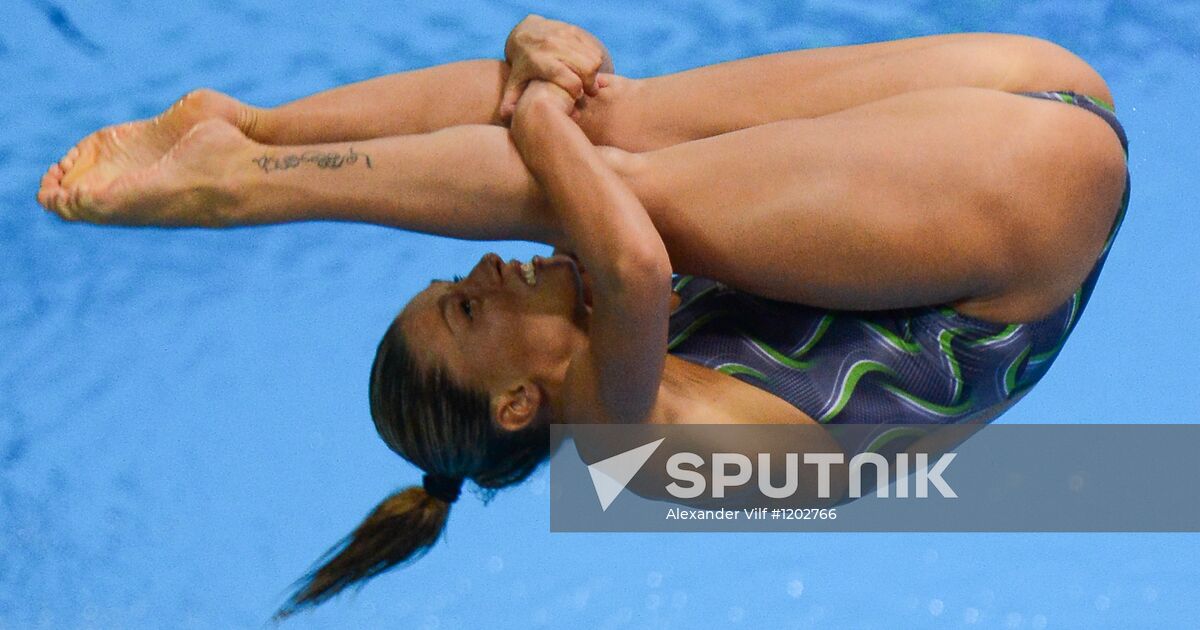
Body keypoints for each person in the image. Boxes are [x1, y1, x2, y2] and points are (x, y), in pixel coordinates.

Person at [35, 15, 1130, 618]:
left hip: (1036, 106)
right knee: (587, 165)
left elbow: (569, 164)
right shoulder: (628, 453)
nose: (484, 271)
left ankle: (246, 125)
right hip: (1030, 212)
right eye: (466, 306)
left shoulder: (597, 342)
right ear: (519, 401)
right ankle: (240, 187)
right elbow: (631, 256)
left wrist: (546, 82)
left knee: (615, 122)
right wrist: (545, 90)